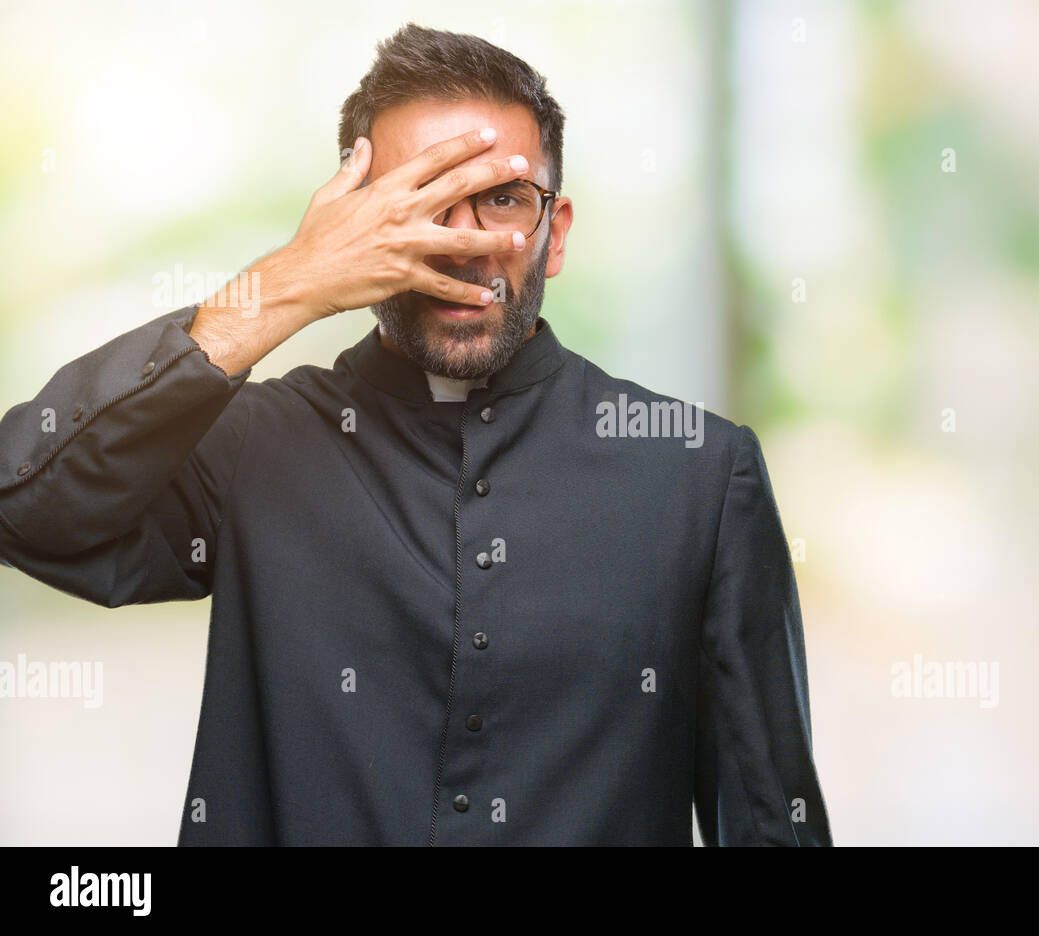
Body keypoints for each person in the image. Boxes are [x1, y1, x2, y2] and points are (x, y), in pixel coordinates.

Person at [0, 24, 831, 846]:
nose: (460, 242)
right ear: (351, 227)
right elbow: (23, 506)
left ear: (558, 230)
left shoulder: (699, 475)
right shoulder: (251, 448)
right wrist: (287, 283)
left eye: (502, 198)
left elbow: (770, 824)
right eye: (419, 203)